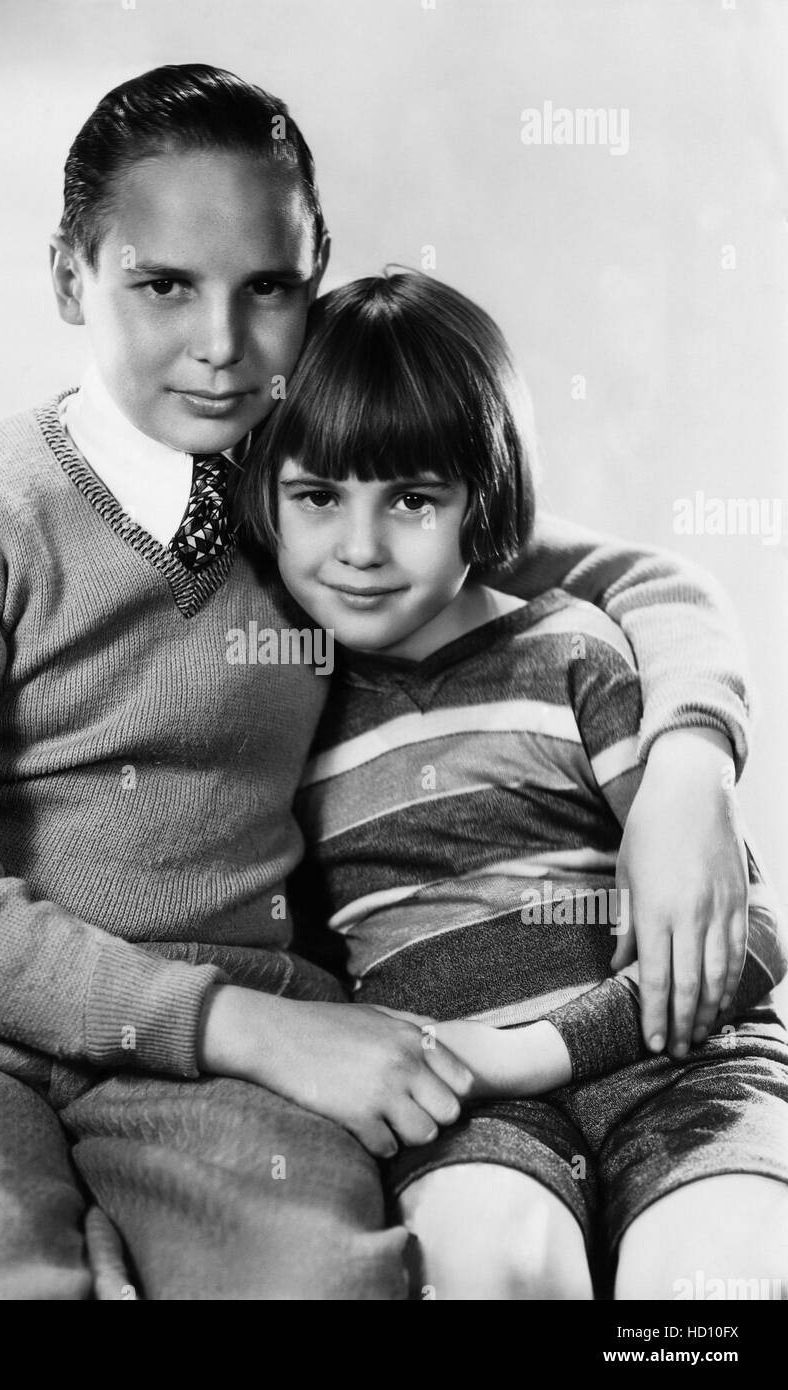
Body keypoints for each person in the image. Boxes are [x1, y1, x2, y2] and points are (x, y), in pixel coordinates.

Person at [0, 67, 762, 1301]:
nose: (222, 345)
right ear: (70, 276)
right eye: (162, 285)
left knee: (323, 1287)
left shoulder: (311, 495)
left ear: (316, 279)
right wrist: (248, 1026)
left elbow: (636, 578)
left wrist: (683, 763)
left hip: (220, 1068)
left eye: (269, 289)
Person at [233, 268, 788, 1299]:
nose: (358, 548)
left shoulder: (573, 653)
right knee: (492, 1263)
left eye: (410, 498)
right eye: (316, 495)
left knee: (714, 1279)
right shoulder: (281, 713)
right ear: (265, 496)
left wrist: (532, 1050)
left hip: (676, 1070)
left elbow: (750, 934)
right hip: (465, 1111)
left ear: (479, 495)